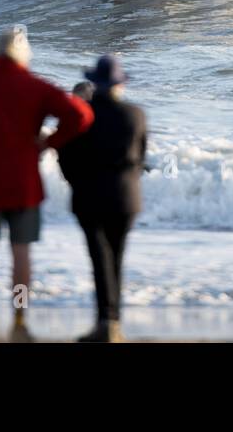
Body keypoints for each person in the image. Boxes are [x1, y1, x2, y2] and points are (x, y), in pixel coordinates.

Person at [0, 28, 93, 341]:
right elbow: (80, 116)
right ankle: (20, 316)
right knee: (21, 253)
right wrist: (50, 142)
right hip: (24, 182)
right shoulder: (35, 86)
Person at [57, 55, 147, 343]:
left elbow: (65, 156)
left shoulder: (83, 116)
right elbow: (140, 158)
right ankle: (114, 322)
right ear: (120, 84)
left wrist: (76, 183)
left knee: (100, 259)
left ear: (95, 83)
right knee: (117, 258)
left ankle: (105, 322)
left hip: (90, 196)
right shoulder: (136, 115)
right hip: (126, 198)